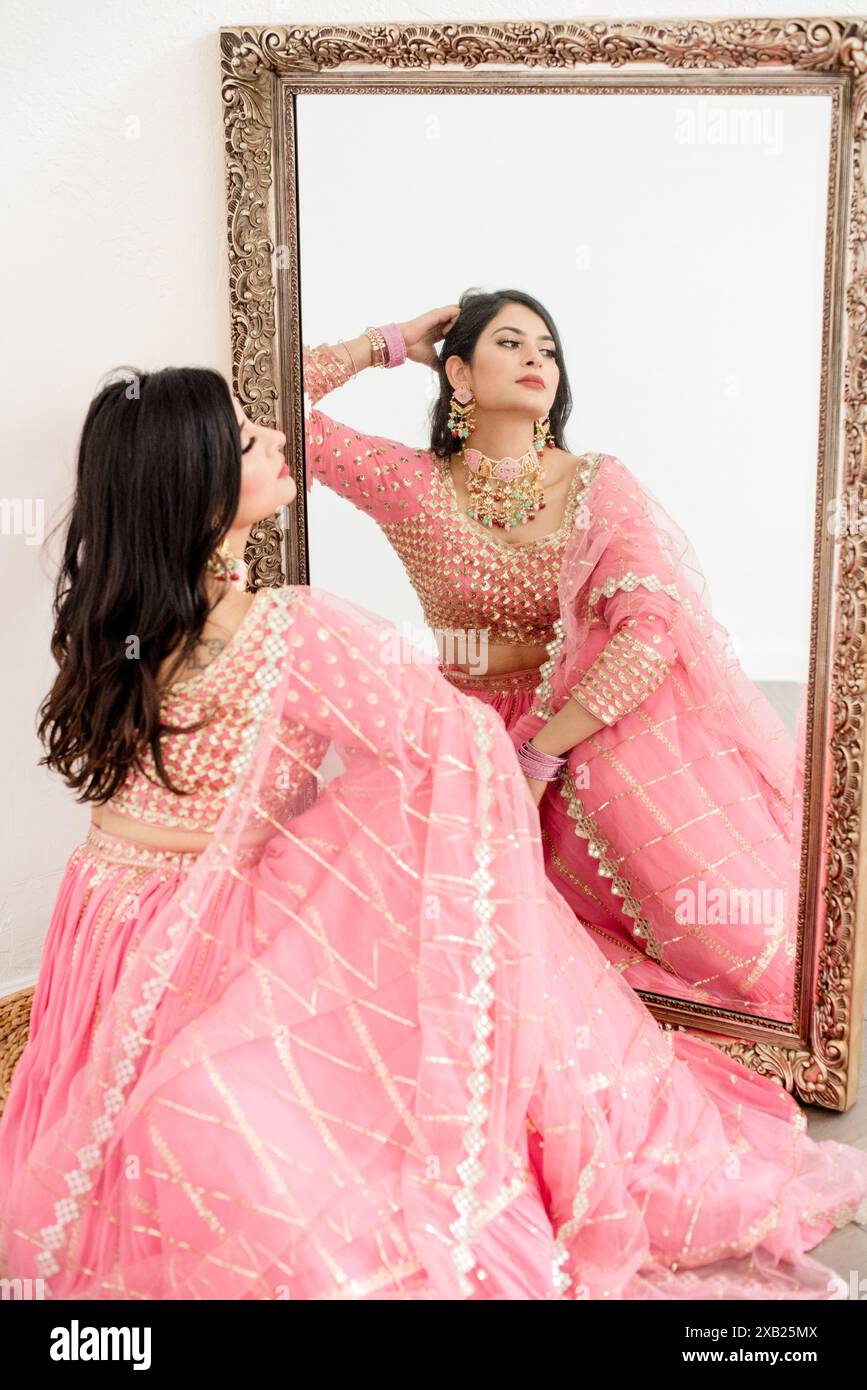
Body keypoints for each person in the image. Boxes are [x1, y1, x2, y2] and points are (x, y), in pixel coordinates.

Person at [0, 362, 862, 1301]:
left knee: (136, 1142)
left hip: (105, 915)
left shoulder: (118, 622)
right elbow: (460, 749)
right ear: (198, 491)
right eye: (251, 440)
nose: (280, 439)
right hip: (199, 933)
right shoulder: (291, 631)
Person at [302, 293, 804, 1019]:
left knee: (740, 954)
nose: (538, 358)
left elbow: (650, 630)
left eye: (547, 348)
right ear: (459, 376)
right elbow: (252, 415)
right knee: (453, 969)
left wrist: (539, 756)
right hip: (463, 739)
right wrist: (382, 343)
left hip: (581, 730)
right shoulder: (407, 483)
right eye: (510, 343)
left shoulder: (596, 482)